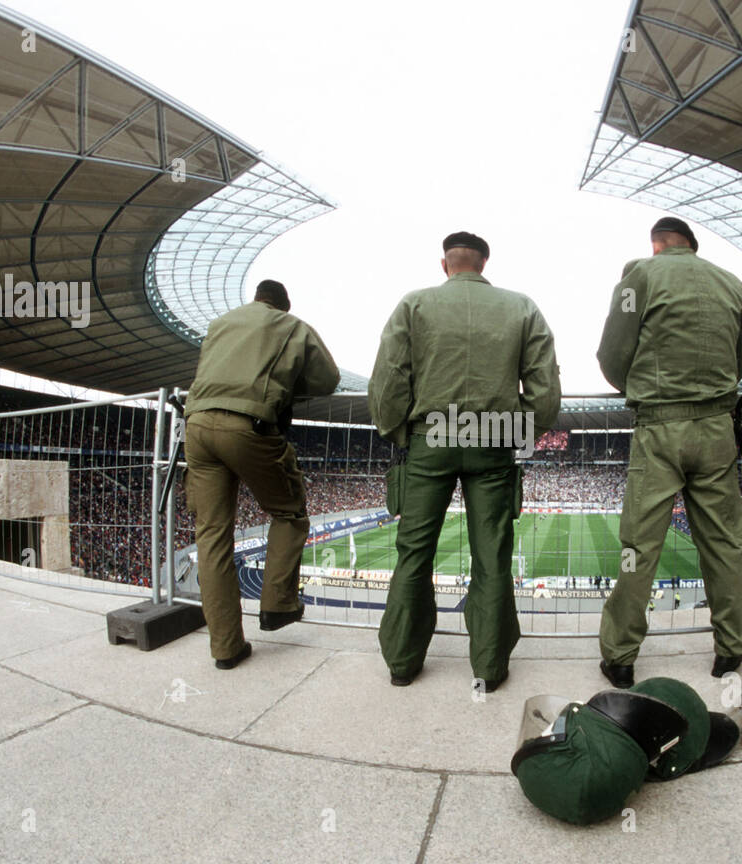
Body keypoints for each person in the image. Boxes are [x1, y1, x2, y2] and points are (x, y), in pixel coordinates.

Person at [369, 232, 560, 690]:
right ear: (485, 263)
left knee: (414, 552)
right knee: (492, 555)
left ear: (445, 265)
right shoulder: (522, 307)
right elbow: (544, 386)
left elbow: (389, 378)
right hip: (493, 441)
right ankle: (489, 668)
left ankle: (402, 662)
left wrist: (399, 431)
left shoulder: (414, 305)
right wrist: (521, 433)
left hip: (430, 437)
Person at [596, 216, 742, 687]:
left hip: (660, 427)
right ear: (692, 245)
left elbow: (611, 354)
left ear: (656, 245)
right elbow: (741, 353)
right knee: (723, 543)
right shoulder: (733, 284)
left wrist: (643, 388)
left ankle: (620, 657)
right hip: (717, 428)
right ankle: (730, 650)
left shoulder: (640, 277)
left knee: (638, 549)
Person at [184, 280, 339, 670]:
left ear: (255, 298)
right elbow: (327, 380)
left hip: (197, 426)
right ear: (283, 305)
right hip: (248, 425)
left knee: (212, 535)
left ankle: (226, 648)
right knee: (289, 512)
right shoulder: (291, 326)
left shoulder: (221, 323)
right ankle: (277, 605)